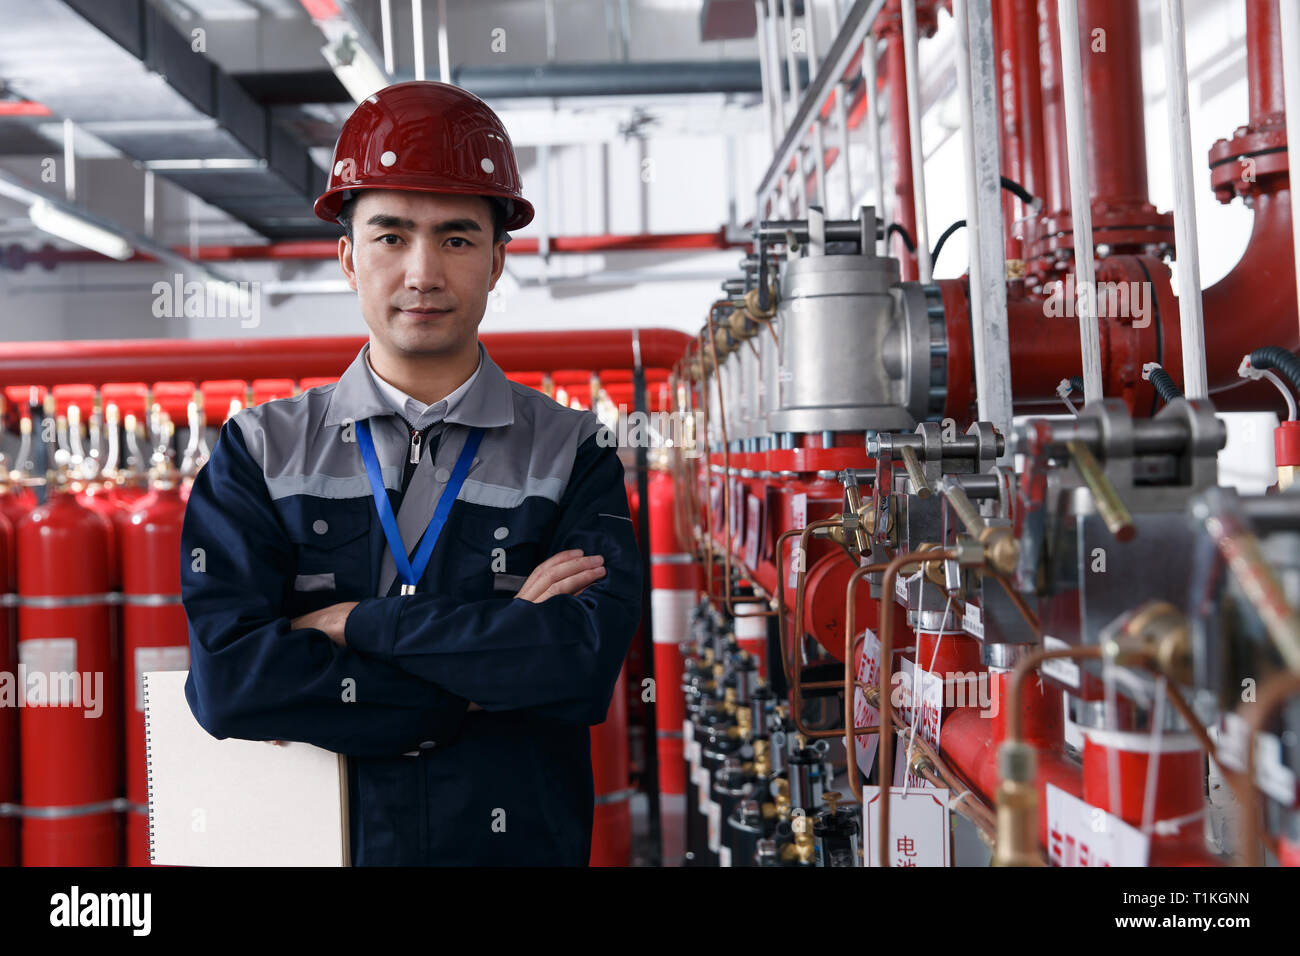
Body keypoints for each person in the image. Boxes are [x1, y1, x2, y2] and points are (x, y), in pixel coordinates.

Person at [180, 81, 643, 865]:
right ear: (347, 257)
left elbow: (575, 666)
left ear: (498, 260)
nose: (423, 272)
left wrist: (350, 626)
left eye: (457, 239)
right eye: (391, 237)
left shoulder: (572, 452)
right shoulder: (260, 451)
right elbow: (230, 683)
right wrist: (477, 680)